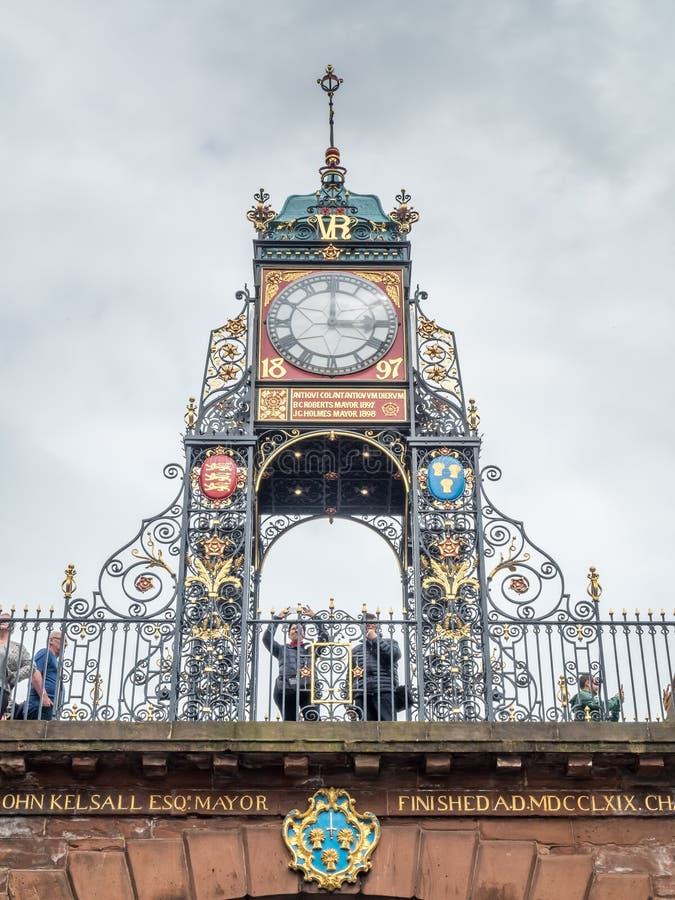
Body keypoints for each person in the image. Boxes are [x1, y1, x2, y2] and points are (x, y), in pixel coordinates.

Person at [263, 607, 328, 721]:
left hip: (308, 688)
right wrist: (278, 618)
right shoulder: (281, 649)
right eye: (293, 628)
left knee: (313, 720)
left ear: (304, 633)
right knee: (290, 722)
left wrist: (314, 618)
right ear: (289, 634)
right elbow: (266, 639)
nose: (296, 630)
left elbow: (325, 639)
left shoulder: (311, 649)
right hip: (286, 688)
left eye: (299, 628)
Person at [351, 613, 401, 721]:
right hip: (363, 694)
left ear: (377, 626)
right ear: (361, 627)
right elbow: (351, 677)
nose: (369, 625)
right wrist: (349, 702)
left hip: (385, 692)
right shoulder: (356, 650)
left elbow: (394, 655)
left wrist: (375, 639)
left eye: (372, 622)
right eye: (366, 623)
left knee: (389, 729)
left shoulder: (390, 642)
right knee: (365, 732)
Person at [0, 614, 48, 719]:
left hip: (3, 689)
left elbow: (31, 666)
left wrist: (14, 676)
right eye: (1, 618)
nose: (2, 620)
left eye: (6, 619)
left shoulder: (17, 648)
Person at [25, 631, 64, 720]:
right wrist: (44, 697)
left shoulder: (55, 661)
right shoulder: (45, 653)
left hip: (50, 707)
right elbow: (34, 673)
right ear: (51, 641)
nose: (65, 644)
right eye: (62, 640)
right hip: (40, 707)